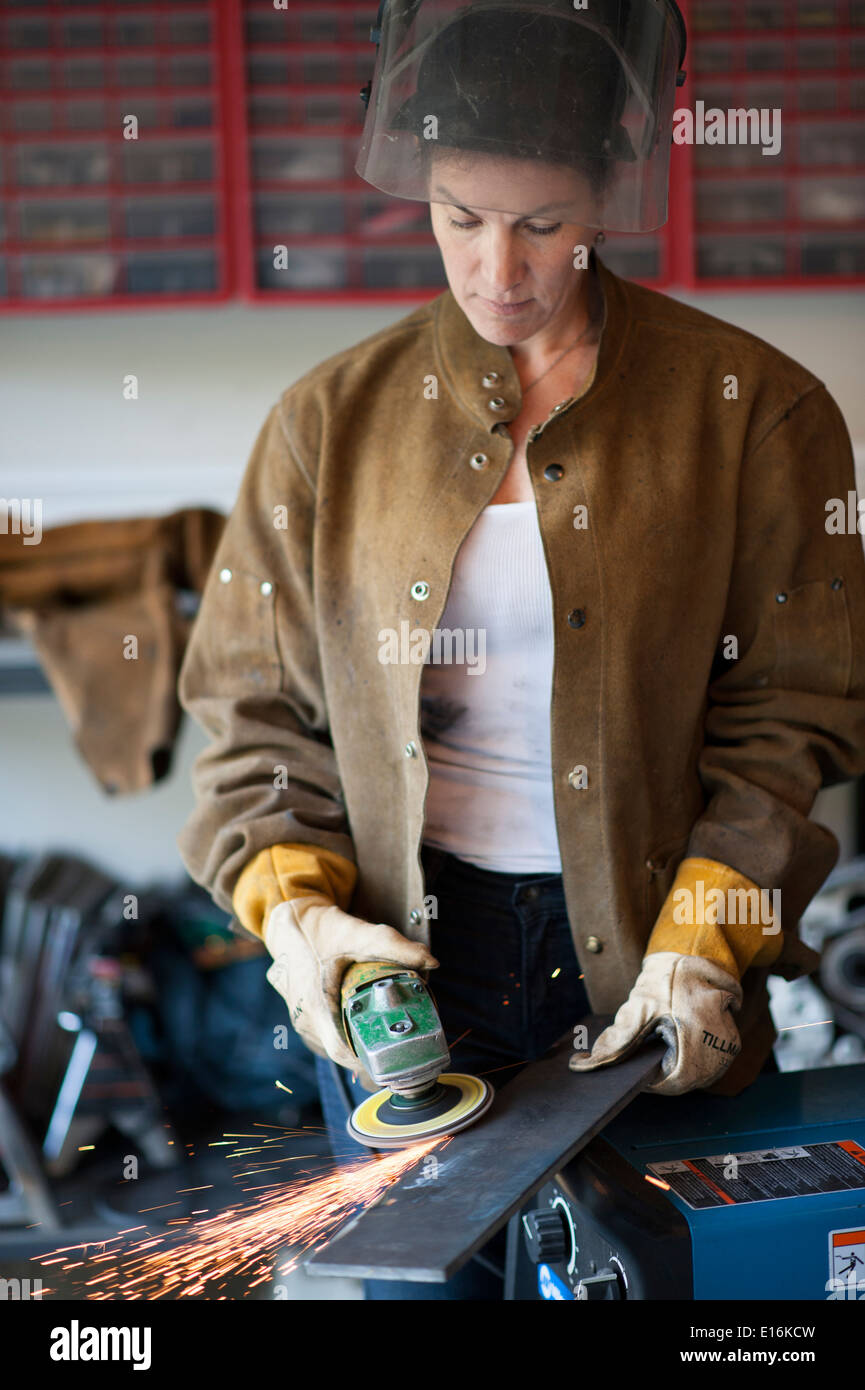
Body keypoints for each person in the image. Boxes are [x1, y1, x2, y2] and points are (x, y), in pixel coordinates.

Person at [176, 1, 865, 1299]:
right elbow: (253, 717)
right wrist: (303, 918)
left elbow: (794, 714)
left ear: (608, 188)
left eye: (542, 224)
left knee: (668, 1286)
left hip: (652, 944)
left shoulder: (755, 410)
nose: (498, 268)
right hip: (416, 961)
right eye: (459, 215)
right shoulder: (328, 423)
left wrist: (709, 935)